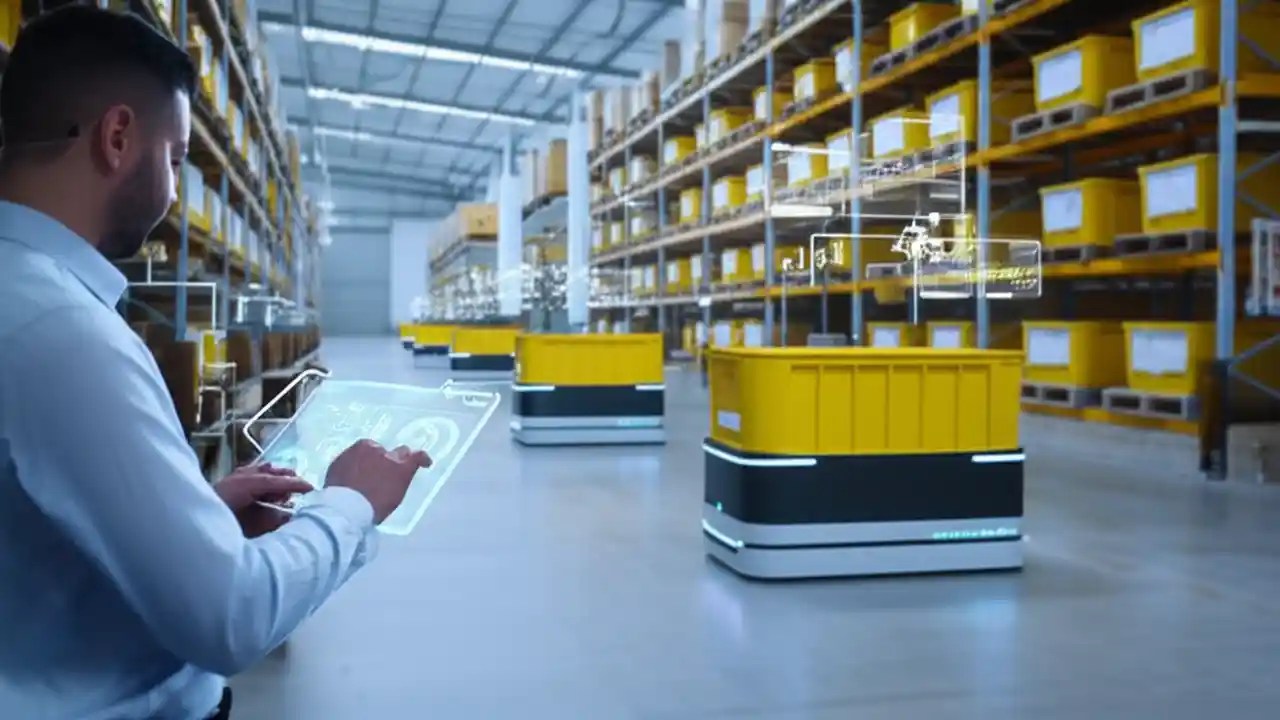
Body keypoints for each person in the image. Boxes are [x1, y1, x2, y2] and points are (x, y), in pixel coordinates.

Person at [0, 7, 430, 719]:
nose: (174, 191)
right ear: (117, 138)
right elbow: (233, 617)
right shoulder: (64, 333)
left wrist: (189, 514)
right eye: (175, 159)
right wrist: (352, 502)